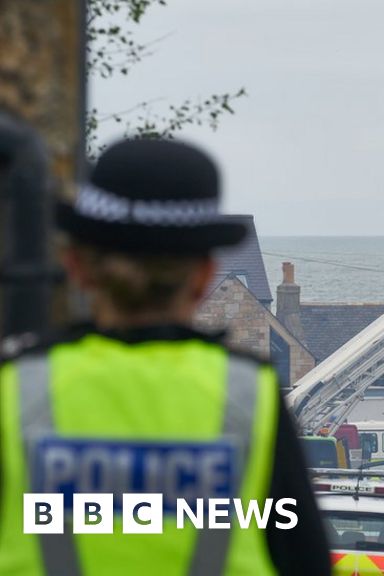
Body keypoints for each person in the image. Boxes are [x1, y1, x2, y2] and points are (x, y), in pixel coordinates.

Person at [0, 139, 331, 575]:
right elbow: (304, 560)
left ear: (77, 267)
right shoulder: (250, 396)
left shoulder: (18, 386)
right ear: (204, 277)